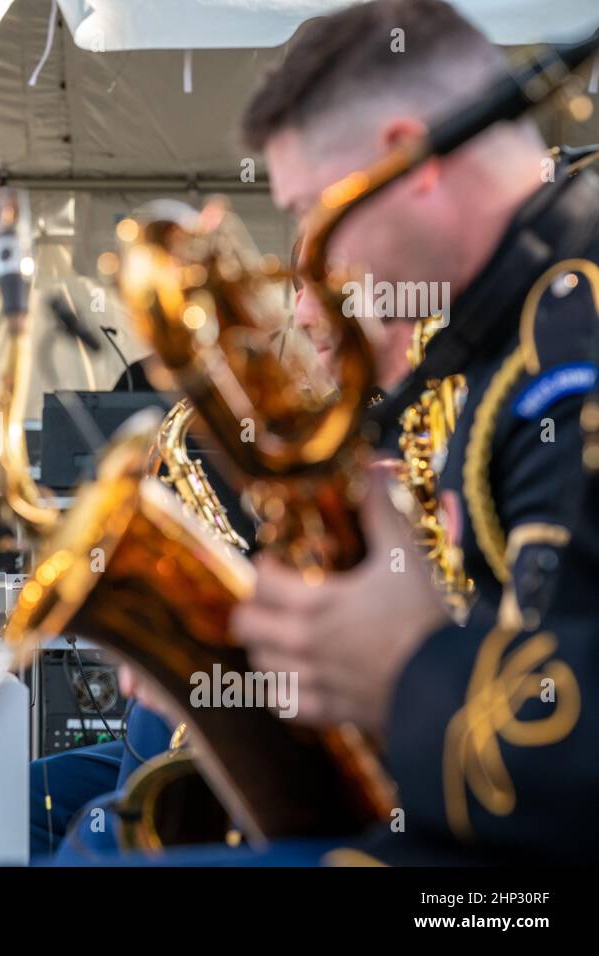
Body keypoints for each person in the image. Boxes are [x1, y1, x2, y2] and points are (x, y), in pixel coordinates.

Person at [227, 0, 599, 864]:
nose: (310, 261)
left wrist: (404, 664)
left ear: (406, 159)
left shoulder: (569, 341)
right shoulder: (510, 325)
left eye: (315, 213)